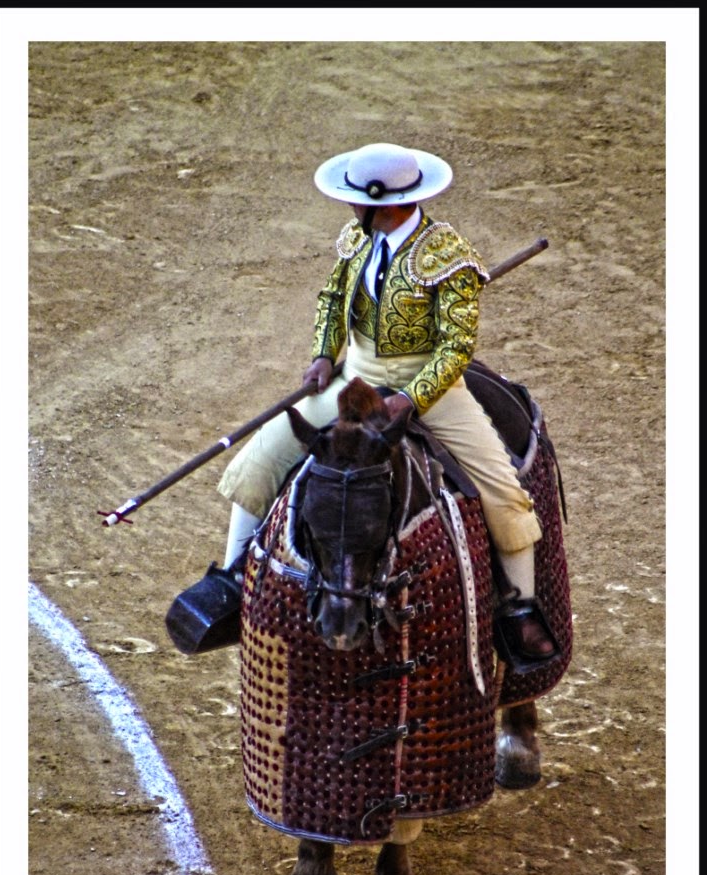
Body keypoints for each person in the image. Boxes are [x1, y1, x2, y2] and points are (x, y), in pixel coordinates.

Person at [216, 142, 555, 659]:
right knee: (259, 459)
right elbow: (332, 300)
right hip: (356, 377)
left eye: (357, 201)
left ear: (384, 201)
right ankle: (231, 581)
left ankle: (519, 611)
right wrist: (324, 356)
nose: (350, 208)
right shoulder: (356, 239)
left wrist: (412, 398)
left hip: (430, 385)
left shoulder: (449, 257)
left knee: (502, 490)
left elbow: (456, 347)